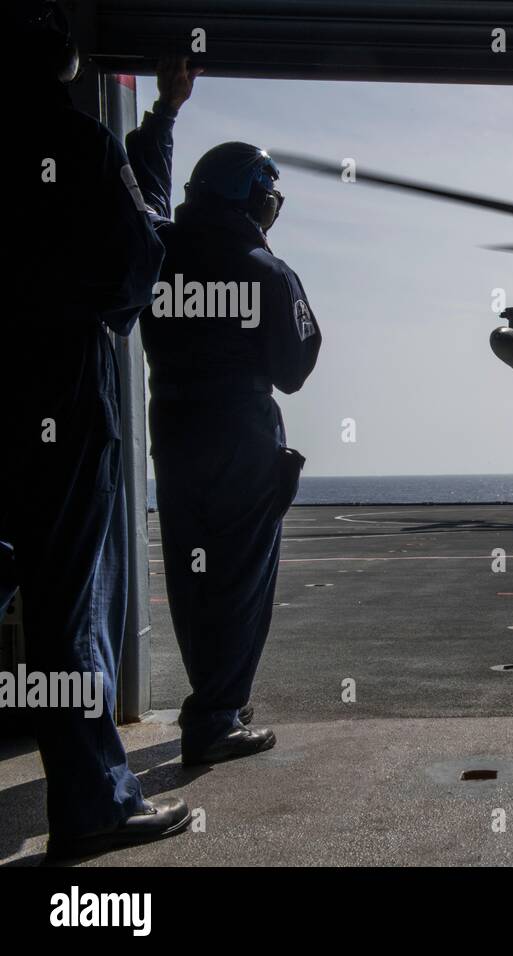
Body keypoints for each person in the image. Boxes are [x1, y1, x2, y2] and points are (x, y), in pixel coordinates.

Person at [0, 1, 191, 858]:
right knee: (66, 599)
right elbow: (139, 250)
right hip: (56, 384)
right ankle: (91, 804)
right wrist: (162, 118)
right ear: (65, 67)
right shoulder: (80, 144)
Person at [126, 60, 322, 766]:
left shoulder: (158, 244)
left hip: (174, 433)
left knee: (191, 572)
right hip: (239, 437)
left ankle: (213, 702)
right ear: (254, 199)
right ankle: (216, 718)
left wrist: (164, 115)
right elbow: (296, 369)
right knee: (240, 579)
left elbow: (143, 187)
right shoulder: (264, 269)